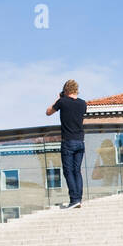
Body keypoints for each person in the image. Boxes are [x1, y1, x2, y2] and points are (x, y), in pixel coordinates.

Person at [45, 79, 87, 208]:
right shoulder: (83, 103)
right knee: (77, 171)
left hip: (68, 141)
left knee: (68, 171)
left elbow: (48, 112)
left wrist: (58, 98)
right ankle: (78, 198)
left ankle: (74, 199)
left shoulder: (62, 102)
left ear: (65, 90)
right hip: (80, 141)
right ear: (76, 90)